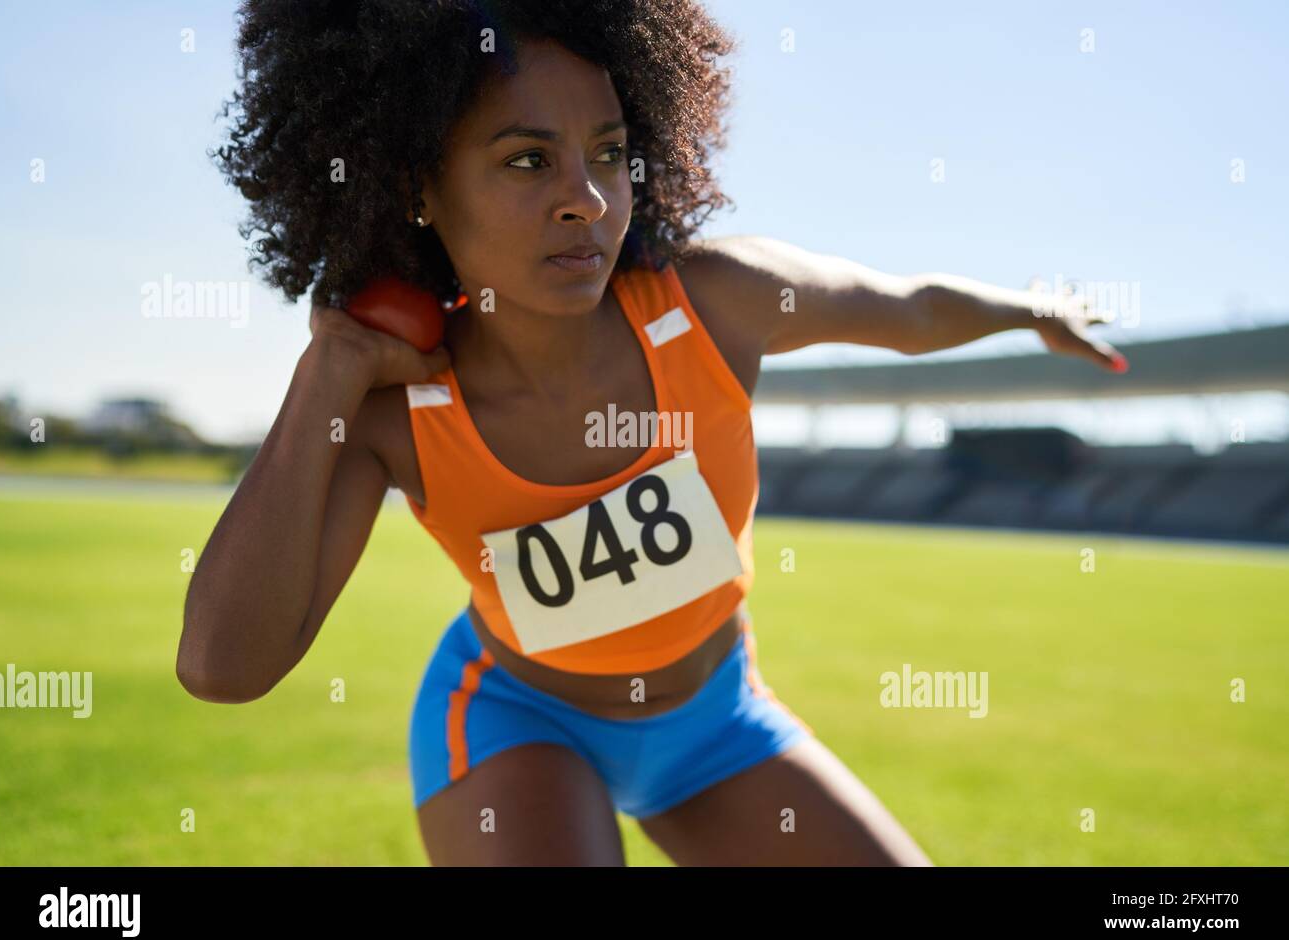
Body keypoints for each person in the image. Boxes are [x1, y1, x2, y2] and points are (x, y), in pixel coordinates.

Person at [179, 0, 1126, 866]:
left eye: (607, 151)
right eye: (526, 159)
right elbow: (224, 668)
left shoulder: (719, 302)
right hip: (516, 726)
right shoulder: (399, 412)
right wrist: (328, 374)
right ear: (419, 186)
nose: (585, 199)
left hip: (719, 726)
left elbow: (911, 310)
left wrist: (1028, 308)